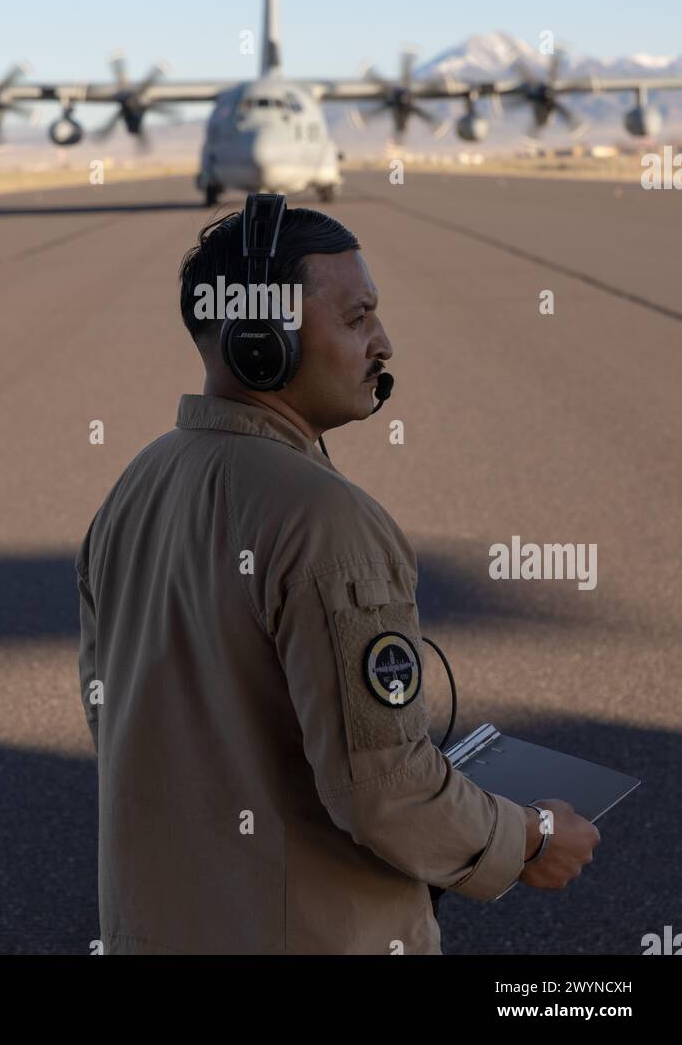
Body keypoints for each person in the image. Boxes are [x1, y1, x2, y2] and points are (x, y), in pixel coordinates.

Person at [75, 196, 599, 955]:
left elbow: (116, 719)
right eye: (355, 319)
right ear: (263, 342)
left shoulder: (138, 482)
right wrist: (529, 835)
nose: (382, 344)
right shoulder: (325, 519)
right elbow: (385, 793)